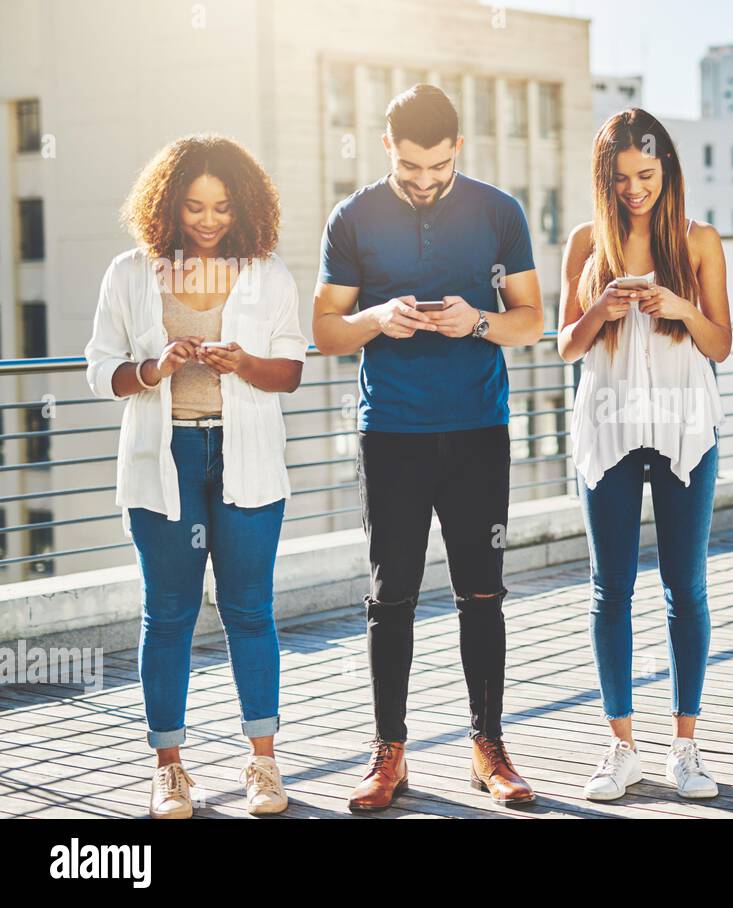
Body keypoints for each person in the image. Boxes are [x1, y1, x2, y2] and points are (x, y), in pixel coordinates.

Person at [312, 84, 544, 810]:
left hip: (478, 431)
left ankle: (488, 748)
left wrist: (478, 321)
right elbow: (325, 331)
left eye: (438, 166)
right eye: (410, 166)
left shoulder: (499, 212)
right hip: (391, 434)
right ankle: (390, 754)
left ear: (457, 150)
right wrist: (376, 317)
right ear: (388, 146)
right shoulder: (352, 218)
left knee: (483, 594)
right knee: (391, 599)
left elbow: (532, 320)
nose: (424, 179)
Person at [85, 134, 308, 818]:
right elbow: (101, 370)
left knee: (249, 609)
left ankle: (263, 764)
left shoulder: (267, 274)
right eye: (194, 207)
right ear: (167, 205)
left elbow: (290, 372)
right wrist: (155, 368)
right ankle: (170, 771)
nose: (208, 221)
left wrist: (243, 363)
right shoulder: (130, 273)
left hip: (245, 455)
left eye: (222, 207)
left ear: (244, 207)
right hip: (165, 460)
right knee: (169, 614)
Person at [558, 109, 731, 801]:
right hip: (608, 429)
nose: (634, 189)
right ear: (604, 180)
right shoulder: (584, 242)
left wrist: (679, 307)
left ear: (668, 171)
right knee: (611, 589)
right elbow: (565, 345)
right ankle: (621, 747)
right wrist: (599, 309)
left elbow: (721, 344)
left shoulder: (699, 240)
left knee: (685, 587)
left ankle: (685, 747)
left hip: (685, 426)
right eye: (621, 178)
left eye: (646, 175)